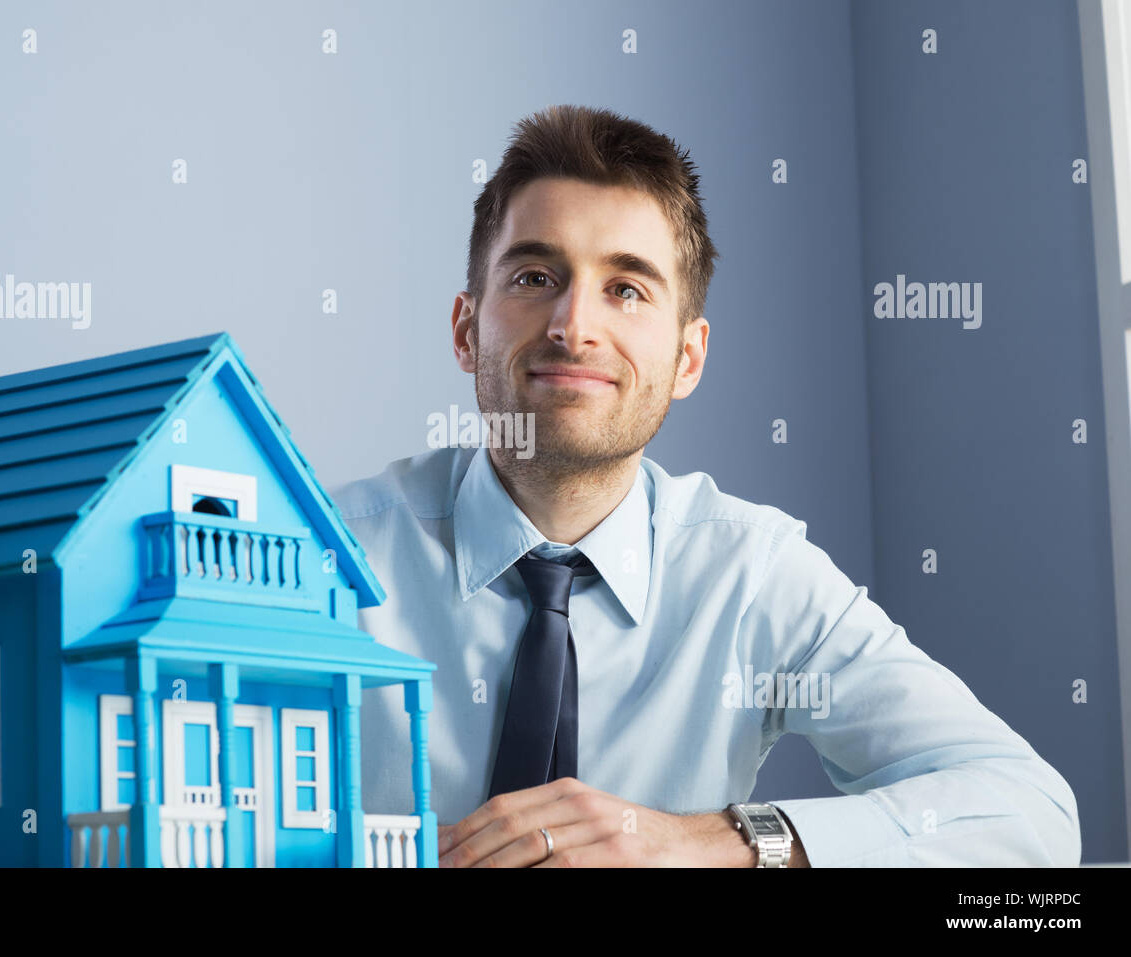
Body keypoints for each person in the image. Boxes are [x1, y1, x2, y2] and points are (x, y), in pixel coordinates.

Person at [330, 104, 1080, 867]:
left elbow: (1028, 807)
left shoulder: (754, 574)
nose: (573, 324)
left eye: (626, 289)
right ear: (466, 330)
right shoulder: (328, 555)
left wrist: (706, 841)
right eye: (534, 276)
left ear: (689, 358)